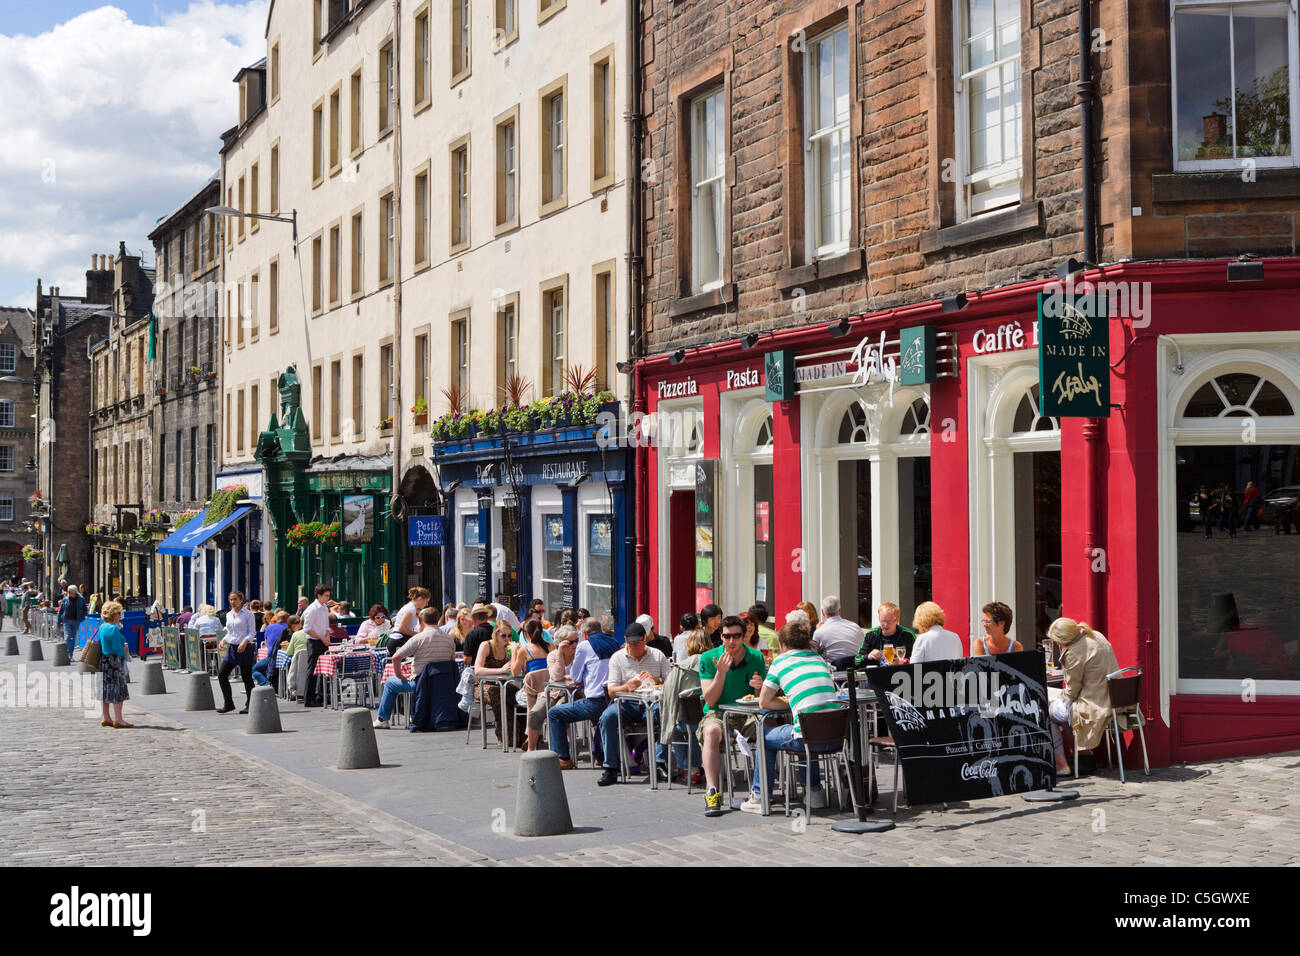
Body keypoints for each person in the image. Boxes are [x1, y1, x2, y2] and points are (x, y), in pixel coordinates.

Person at [740, 621, 841, 813]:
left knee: (764, 735)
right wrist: (795, 704)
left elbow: (764, 702)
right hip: (835, 736)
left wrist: (790, 704)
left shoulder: (780, 662)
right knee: (807, 728)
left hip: (807, 737)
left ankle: (760, 797)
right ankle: (814, 792)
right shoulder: (818, 659)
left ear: (783, 645)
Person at [699, 615, 767, 817]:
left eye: (736, 636)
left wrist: (759, 688)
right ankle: (712, 791)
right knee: (711, 731)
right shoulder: (709, 658)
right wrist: (721, 673)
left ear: (744, 635)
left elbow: (759, 699)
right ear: (721, 636)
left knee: (768, 729)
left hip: (746, 713)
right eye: (727, 636)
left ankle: (761, 790)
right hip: (718, 711)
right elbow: (710, 701)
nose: (732, 642)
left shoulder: (756, 657)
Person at [596, 622, 671, 786]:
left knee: (666, 714)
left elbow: (671, 681)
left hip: (652, 702)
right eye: (631, 644)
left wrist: (657, 679)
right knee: (607, 717)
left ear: (645, 640)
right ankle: (610, 768)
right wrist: (626, 687)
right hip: (627, 703)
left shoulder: (658, 655)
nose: (634, 647)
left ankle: (660, 762)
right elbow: (611, 691)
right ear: (625, 641)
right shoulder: (617, 657)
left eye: (638, 643)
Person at [1046, 617, 1119, 776]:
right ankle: (1084, 755)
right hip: (1114, 702)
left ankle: (1061, 764)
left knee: (1046, 710)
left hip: (1093, 707)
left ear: (1063, 641)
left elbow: (1071, 692)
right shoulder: (1097, 635)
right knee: (1062, 709)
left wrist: (1056, 694)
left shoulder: (1073, 653)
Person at [547, 618, 621, 768]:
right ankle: (598, 754)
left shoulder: (584, 646)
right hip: (615, 701)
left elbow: (575, 677)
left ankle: (563, 759)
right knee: (595, 717)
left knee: (554, 713)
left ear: (585, 634)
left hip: (596, 703)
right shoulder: (614, 643)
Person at [374, 607, 457, 728]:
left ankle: (382, 719)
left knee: (390, 683)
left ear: (422, 621)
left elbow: (396, 657)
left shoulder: (418, 638)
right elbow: (451, 662)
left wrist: (400, 676)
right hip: (442, 683)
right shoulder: (449, 639)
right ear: (438, 619)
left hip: (421, 683)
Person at [523, 624, 579, 750]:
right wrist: (560, 653)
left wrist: (568, 677)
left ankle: (567, 748)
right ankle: (531, 748)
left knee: (561, 710)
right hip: (553, 691)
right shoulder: (553, 655)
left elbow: (579, 677)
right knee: (535, 712)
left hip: (575, 693)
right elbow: (556, 676)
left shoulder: (579, 654)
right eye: (571, 642)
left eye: (576, 641)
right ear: (560, 643)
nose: (575, 645)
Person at [474, 621, 520, 747]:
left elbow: (517, 669)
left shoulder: (508, 648)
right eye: (503, 636)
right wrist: (500, 670)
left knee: (520, 696)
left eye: (510, 636)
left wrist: (516, 653)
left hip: (503, 684)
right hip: (483, 685)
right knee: (498, 696)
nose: (507, 639)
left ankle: (522, 736)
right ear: (495, 634)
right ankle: (503, 736)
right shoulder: (486, 645)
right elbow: (477, 670)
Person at [217, 591, 257, 714]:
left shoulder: (248, 614)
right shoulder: (229, 614)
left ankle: (250, 704)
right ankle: (228, 703)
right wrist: (223, 640)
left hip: (245, 648)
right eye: (231, 599)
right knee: (222, 675)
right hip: (232, 648)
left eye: (235, 599)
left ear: (241, 600)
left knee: (246, 678)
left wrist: (244, 642)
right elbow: (230, 632)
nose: (232, 602)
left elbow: (252, 632)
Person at [94, 600, 133, 728]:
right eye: (118, 613)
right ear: (113, 614)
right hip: (113, 662)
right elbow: (118, 648)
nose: (120, 616)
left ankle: (106, 718)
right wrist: (125, 650)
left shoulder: (102, 627)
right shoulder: (113, 629)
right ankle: (119, 719)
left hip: (103, 661)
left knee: (104, 690)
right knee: (118, 690)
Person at [301, 584, 333, 707]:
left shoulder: (325, 607)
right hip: (314, 641)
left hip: (323, 640)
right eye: (326, 595)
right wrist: (322, 638)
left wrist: (327, 637)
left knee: (324, 669)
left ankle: (320, 696)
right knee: (313, 670)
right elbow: (307, 629)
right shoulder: (312, 609)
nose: (327, 598)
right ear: (318, 595)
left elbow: (326, 625)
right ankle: (308, 699)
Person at [811, 595, 864, 667]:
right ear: (839, 611)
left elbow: (815, 657)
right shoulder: (856, 627)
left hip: (834, 673)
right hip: (856, 671)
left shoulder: (819, 632)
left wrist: (818, 631)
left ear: (823, 612)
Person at [253, 610, 290, 687]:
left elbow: (266, 644)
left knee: (255, 669)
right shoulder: (288, 628)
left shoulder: (269, 627)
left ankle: (266, 683)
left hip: (272, 657)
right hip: (286, 658)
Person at [390, 587, 431, 653]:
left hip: (398, 640)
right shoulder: (410, 610)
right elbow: (402, 628)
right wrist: (418, 634)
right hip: (398, 641)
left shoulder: (411, 608)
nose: (427, 604)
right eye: (426, 601)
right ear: (420, 599)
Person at [58, 585, 88, 662]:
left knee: (72, 638)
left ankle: (70, 655)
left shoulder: (81, 599)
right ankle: (68, 655)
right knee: (68, 637)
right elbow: (60, 611)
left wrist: (81, 618)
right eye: (68, 591)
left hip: (76, 621)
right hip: (67, 621)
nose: (68, 592)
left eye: (69, 591)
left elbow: (85, 610)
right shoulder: (65, 599)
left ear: (74, 591)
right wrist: (59, 622)